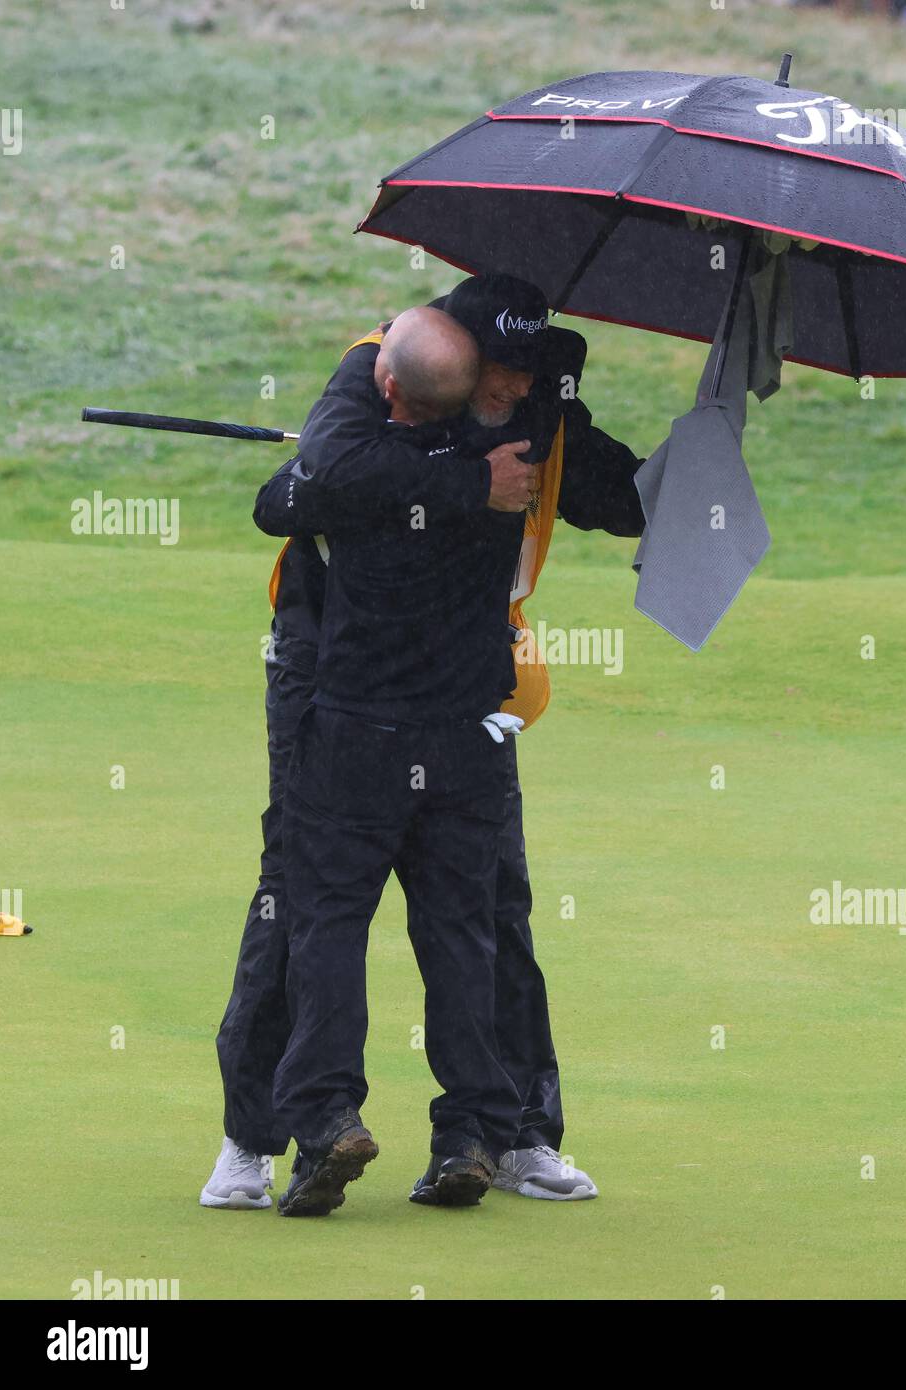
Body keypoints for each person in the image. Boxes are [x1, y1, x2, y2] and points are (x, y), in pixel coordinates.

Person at [203, 276, 645, 1211]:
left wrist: (698, 471)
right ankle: (254, 1138)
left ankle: (505, 1132)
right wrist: (465, 481)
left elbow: (605, 488)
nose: (510, 390)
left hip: (462, 693)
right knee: (299, 899)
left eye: (528, 375)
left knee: (489, 906)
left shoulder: (535, 390)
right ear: (454, 352)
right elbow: (301, 489)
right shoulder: (382, 363)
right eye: (498, 372)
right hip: (329, 679)